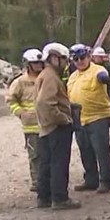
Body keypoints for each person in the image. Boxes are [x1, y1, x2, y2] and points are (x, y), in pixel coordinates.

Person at [34, 42, 81, 210]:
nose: (66, 64)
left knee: (46, 163)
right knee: (59, 163)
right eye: (63, 59)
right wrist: (63, 118)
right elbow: (45, 102)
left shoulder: (44, 75)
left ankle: (44, 197)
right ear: (54, 58)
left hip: (46, 128)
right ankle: (60, 198)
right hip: (56, 128)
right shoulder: (51, 77)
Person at [67, 44, 110, 193]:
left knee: (101, 150)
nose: (80, 61)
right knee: (85, 151)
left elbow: (102, 77)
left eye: (82, 57)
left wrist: (105, 79)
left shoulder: (98, 70)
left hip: (98, 118)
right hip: (80, 119)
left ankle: (106, 181)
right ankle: (91, 179)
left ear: (89, 57)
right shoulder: (73, 76)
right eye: (76, 59)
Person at [5, 48, 45, 191]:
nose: (39, 66)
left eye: (40, 63)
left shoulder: (46, 78)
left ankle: (46, 181)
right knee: (35, 156)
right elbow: (10, 100)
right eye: (35, 63)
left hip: (47, 124)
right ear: (28, 64)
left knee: (48, 156)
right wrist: (21, 113)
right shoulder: (20, 82)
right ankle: (36, 182)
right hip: (31, 126)